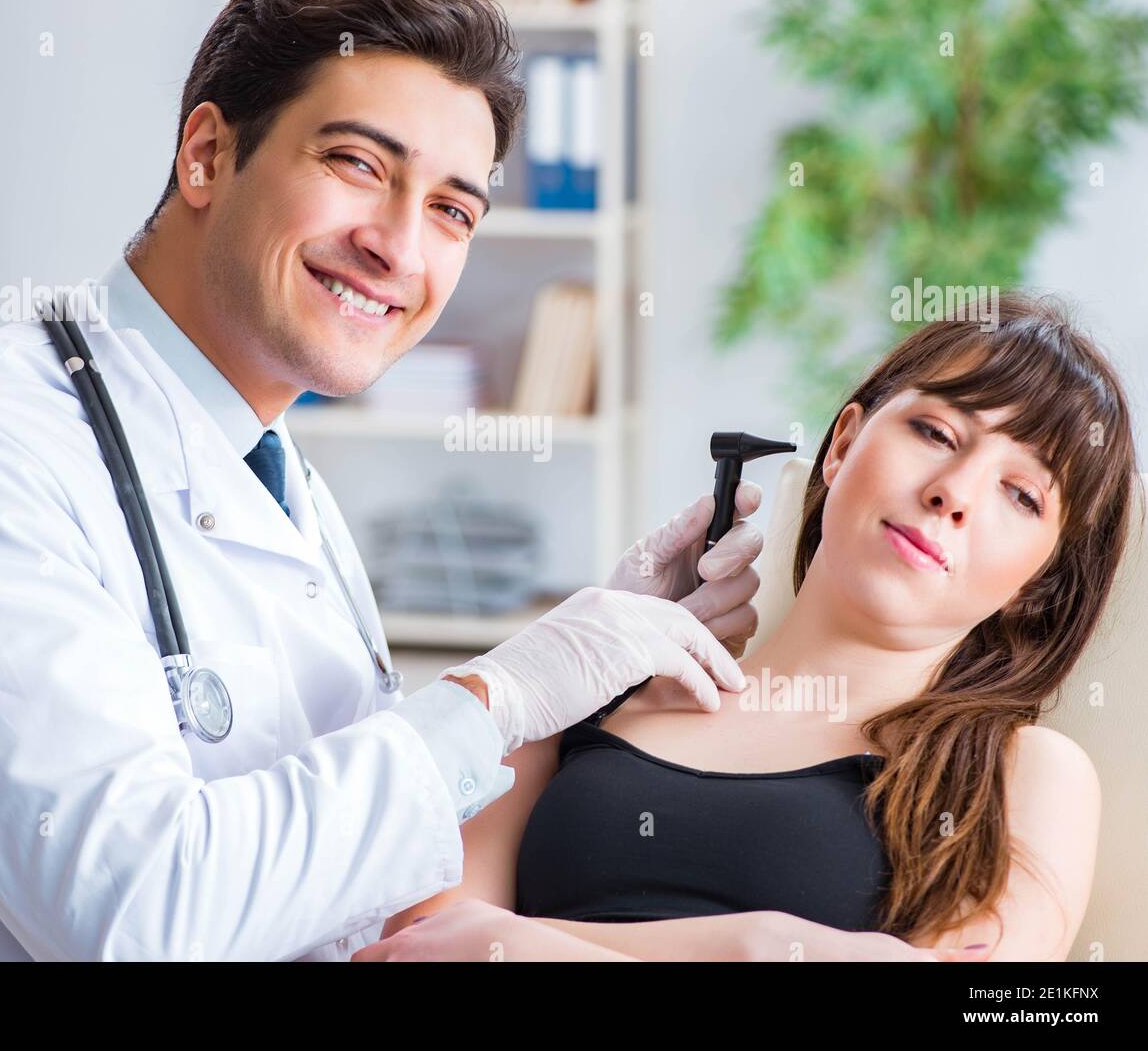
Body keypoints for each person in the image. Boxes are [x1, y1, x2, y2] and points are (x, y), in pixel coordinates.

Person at [0, 0, 760, 962]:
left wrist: (577, 680)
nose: (399, 249)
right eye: (359, 165)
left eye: (452, 210)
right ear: (206, 154)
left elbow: (339, 878)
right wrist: (501, 693)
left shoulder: (272, 469)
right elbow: (143, 914)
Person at [363, 294, 1139, 961]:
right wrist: (757, 949)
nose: (954, 492)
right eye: (937, 433)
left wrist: (529, 945)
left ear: (1037, 589)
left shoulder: (1021, 774)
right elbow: (421, 944)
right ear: (842, 446)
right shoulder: (590, 691)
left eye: (1022, 495)